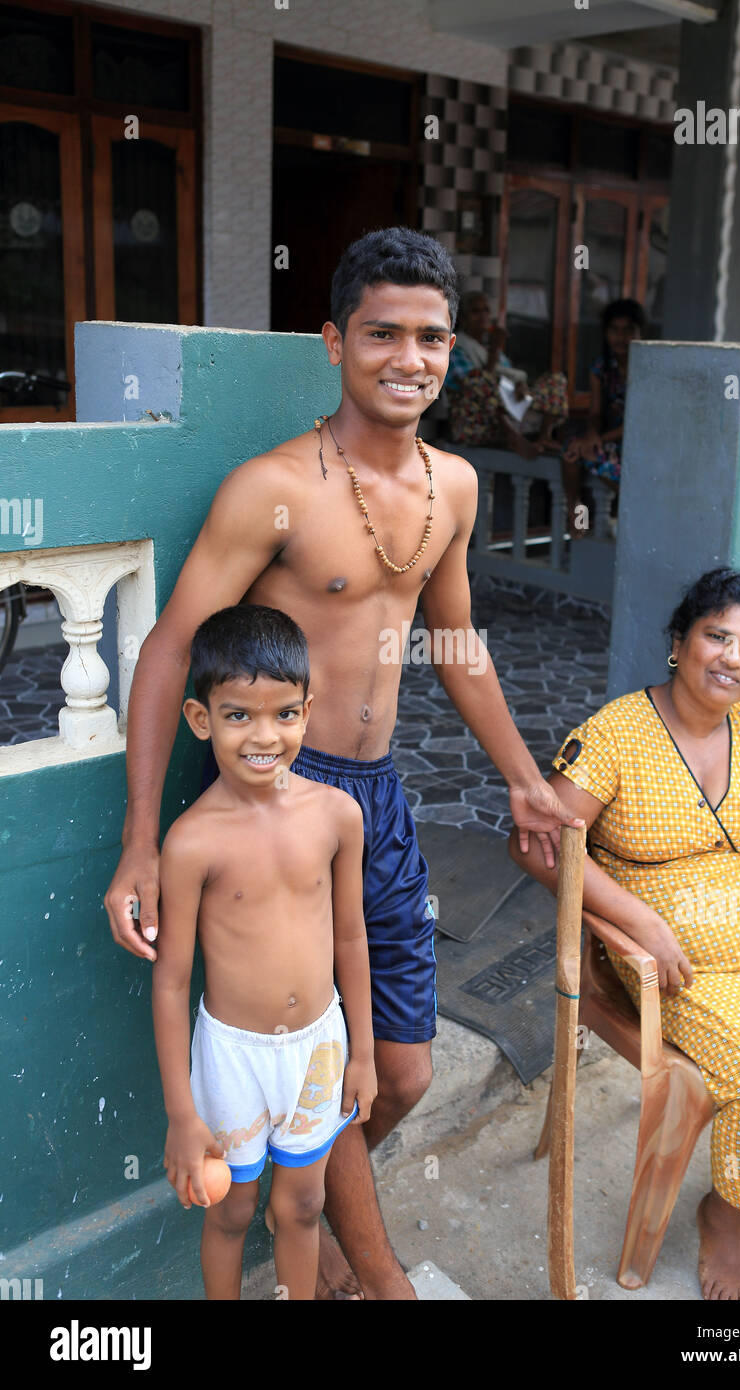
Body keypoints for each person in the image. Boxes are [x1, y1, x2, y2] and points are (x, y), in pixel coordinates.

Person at [104, 225, 580, 1301]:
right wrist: (140, 839)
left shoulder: (452, 487)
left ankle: (305, 1222)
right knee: (323, 1054)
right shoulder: (271, 488)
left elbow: (454, 645)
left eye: (431, 337)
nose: (408, 358)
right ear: (332, 342)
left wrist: (518, 774)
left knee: (400, 1067)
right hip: (276, 801)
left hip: (376, 799)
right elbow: (169, 647)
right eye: (381, 334)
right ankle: (369, 1279)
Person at [511, 568, 740, 1300]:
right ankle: (723, 1212)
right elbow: (533, 844)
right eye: (717, 636)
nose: (732, 657)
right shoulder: (617, 733)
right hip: (675, 972)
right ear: (679, 642)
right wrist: (639, 919)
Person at [152, 605, 376, 1300]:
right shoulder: (191, 842)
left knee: (303, 1206)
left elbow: (350, 937)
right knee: (232, 1210)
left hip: (318, 1048)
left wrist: (363, 1052)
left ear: (308, 711)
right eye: (238, 716)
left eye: (283, 713)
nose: (264, 736)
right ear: (200, 718)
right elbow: (171, 983)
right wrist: (183, 1116)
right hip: (232, 1060)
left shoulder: (338, 815)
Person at [445, 291, 569, 458]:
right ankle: (513, 438)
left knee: (556, 378)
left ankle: (545, 436)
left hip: (510, 412)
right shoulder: (456, 348)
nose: (482, 316)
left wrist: (520, 387)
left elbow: (509, 380)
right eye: (475, 311)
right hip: (475, 421)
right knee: (478, 380)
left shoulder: (488, 349)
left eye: (486, 310)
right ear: (463, 318)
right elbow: (477, 385)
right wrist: (494, 351)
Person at [561, 298, 645, 536]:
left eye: (628, 330)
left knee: (633, 486)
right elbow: (596, 412)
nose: (621, 337)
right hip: (610, 440)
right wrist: (591, 434)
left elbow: (637, 422)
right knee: (571, 450)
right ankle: (574, 511)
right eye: (614, 330)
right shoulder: (601, 368)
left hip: (640, 442)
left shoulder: (647, 369)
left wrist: (598, 439)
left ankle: (626, 514)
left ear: (640, 332)